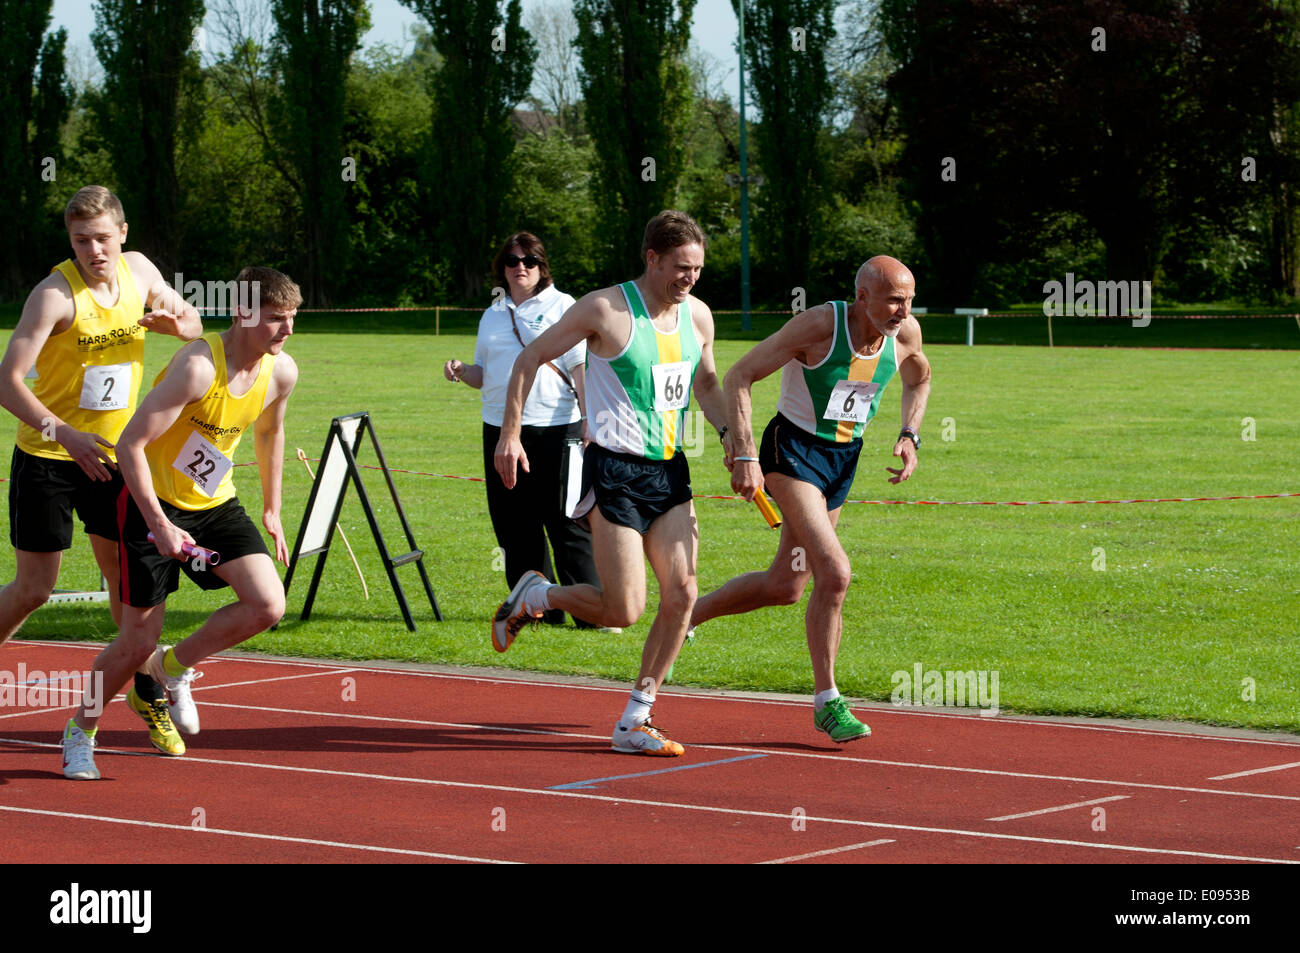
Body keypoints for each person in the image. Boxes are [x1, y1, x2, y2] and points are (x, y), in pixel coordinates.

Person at [491, 210, 727, 757]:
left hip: (669, 471)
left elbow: (708, 382)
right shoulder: (605, 308)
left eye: (696, 268)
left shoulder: (698, 317)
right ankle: (538, 594)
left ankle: (635, 719)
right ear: (651, 258)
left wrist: (732, 439)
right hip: (614, 472)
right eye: (679, 267)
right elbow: (530, 358)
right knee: (623, 610)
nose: (689, 278)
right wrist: (510, 435)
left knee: (684, 593)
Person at [60, 266, 299, 780]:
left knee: (268, 604)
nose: (287, 330)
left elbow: (270, 433)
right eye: (276, 318)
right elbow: (129, 445)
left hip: (215, 503)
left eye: (292, 318)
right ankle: (81, 729)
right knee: (135, 640)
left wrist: (272, 508)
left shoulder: (281, 372)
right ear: (242, 313)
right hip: (151, 504)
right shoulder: (197, 368)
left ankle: (172, 669)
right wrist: (160, 525)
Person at [692, 255, 931, 743]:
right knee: (835, 571)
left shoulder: (906, 335)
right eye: (893, 300)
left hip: (843, 459)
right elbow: (739, 376)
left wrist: (910, 434)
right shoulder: (821, 325)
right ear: (863, 297)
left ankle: (688, 612)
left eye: (908, 300)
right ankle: (828, 703)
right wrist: (742, 454)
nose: (902, 310)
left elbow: (919, 379)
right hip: (792, 452)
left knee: (785, 585)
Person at [0, 185, 203, 757]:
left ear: (123, 234)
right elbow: (6, 380)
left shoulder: (139, 270)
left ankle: (144, 692)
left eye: (102, 238)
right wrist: (62, 433)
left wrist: (177, 326)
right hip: (49, 457)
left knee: (127, 590)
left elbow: (189, 319)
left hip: (116, 459)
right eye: (80, 240)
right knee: (34, 589)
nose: (93, 250)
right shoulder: (52, 295)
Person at [443, 233, 601, 628]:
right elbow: (484, 375)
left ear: (542, 265)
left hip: (556, 427)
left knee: (566, 522)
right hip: (499, 430)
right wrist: (462, 371)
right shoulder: (493, 314)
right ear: (503, 267)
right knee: (514, 524)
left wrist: (589, 419)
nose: (521, 267)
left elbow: (580, 367)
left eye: (530, 260)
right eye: (513, 260)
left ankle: (592, 611)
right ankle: (537, 609)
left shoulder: (564, 306)